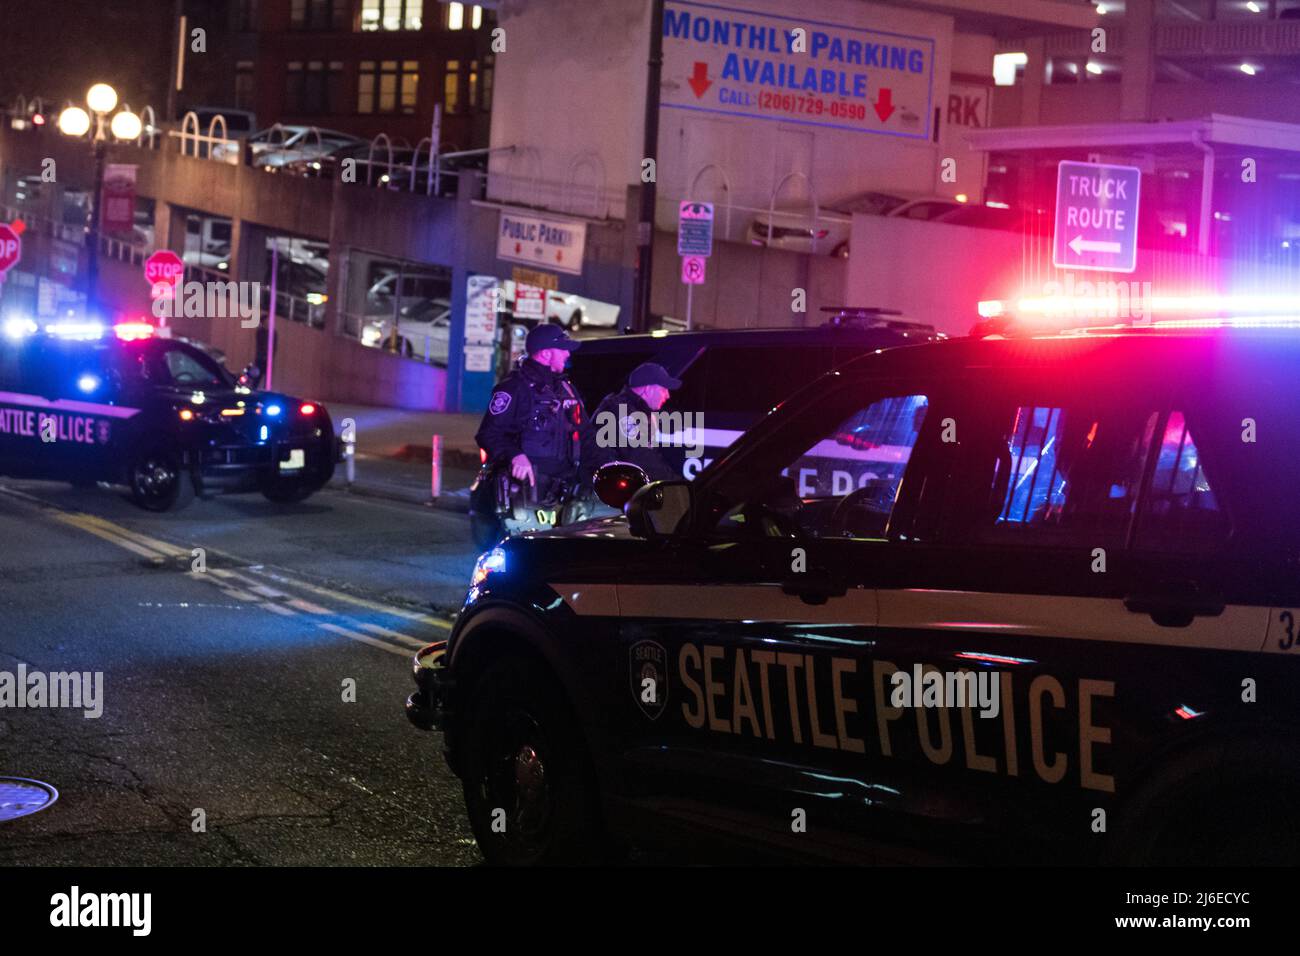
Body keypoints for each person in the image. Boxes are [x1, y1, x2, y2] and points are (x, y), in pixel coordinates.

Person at [475, 323, 585, 510]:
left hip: (562, 494)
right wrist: (515, 455)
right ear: (546, 353)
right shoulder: (513, 388)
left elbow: (587, 434)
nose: (568, 354)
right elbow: (488, 434)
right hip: (525, 495)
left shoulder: (566, 389)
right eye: (563, 350)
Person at [581, 361, 681, 485]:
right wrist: (674, 482)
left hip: (613, 487)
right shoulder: (620, 410)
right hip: (598, 493)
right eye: (663, 389)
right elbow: (640, 457)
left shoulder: (638, 412)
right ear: (648, 389)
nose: (667, 395)